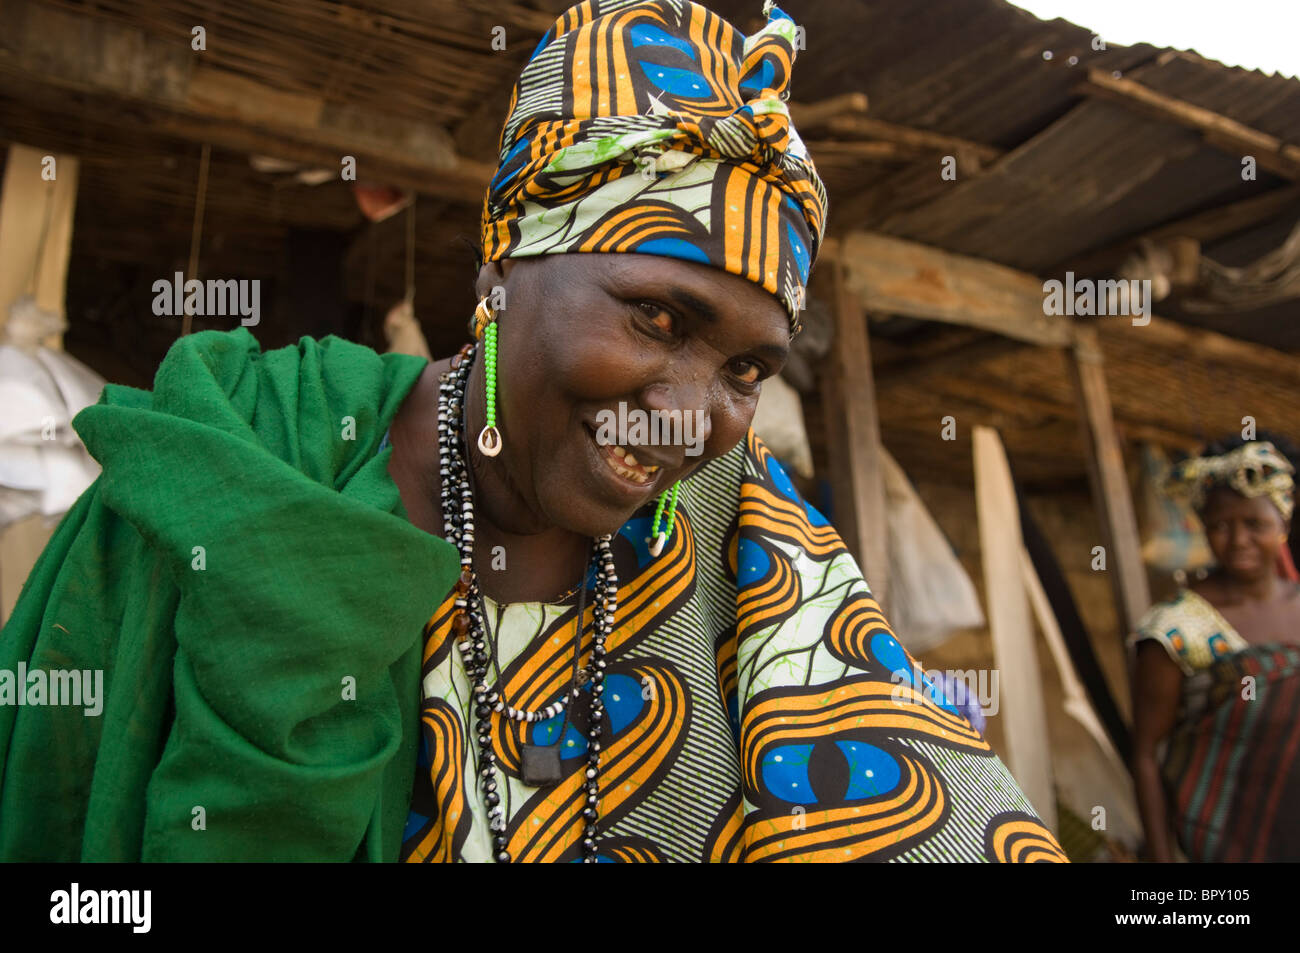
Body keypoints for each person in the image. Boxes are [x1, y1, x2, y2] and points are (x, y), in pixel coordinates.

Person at [0, 0, 1064, 863]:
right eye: (655, 316)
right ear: (500, 273)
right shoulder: (253, 458)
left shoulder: (754, 550)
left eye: (745, 369)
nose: (694, 410)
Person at [1131, 436, 1300, 862]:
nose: (1238, 540)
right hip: (1222, 839)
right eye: (1221, 526)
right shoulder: (1175, 628)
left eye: (1255, 524)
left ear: (1283, 524)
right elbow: (1148, 754)